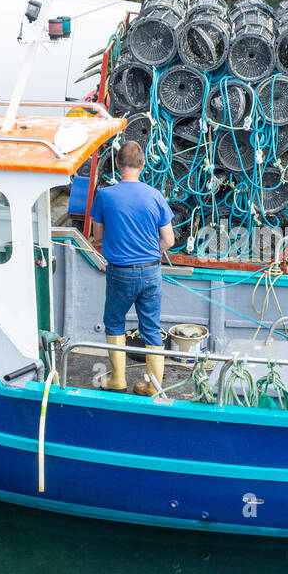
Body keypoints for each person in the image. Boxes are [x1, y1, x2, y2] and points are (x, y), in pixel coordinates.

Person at [90, 141, 175, 395]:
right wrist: (150, 254)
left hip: (120, 272)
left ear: (117, 165)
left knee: (114, 323)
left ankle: (118, 379)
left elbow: (97, 237)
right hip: (151, 271)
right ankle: (152, 386)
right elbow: (169, 241)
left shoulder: (105, 196)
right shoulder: (155, 196)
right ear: (143, 165)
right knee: (150, 326)